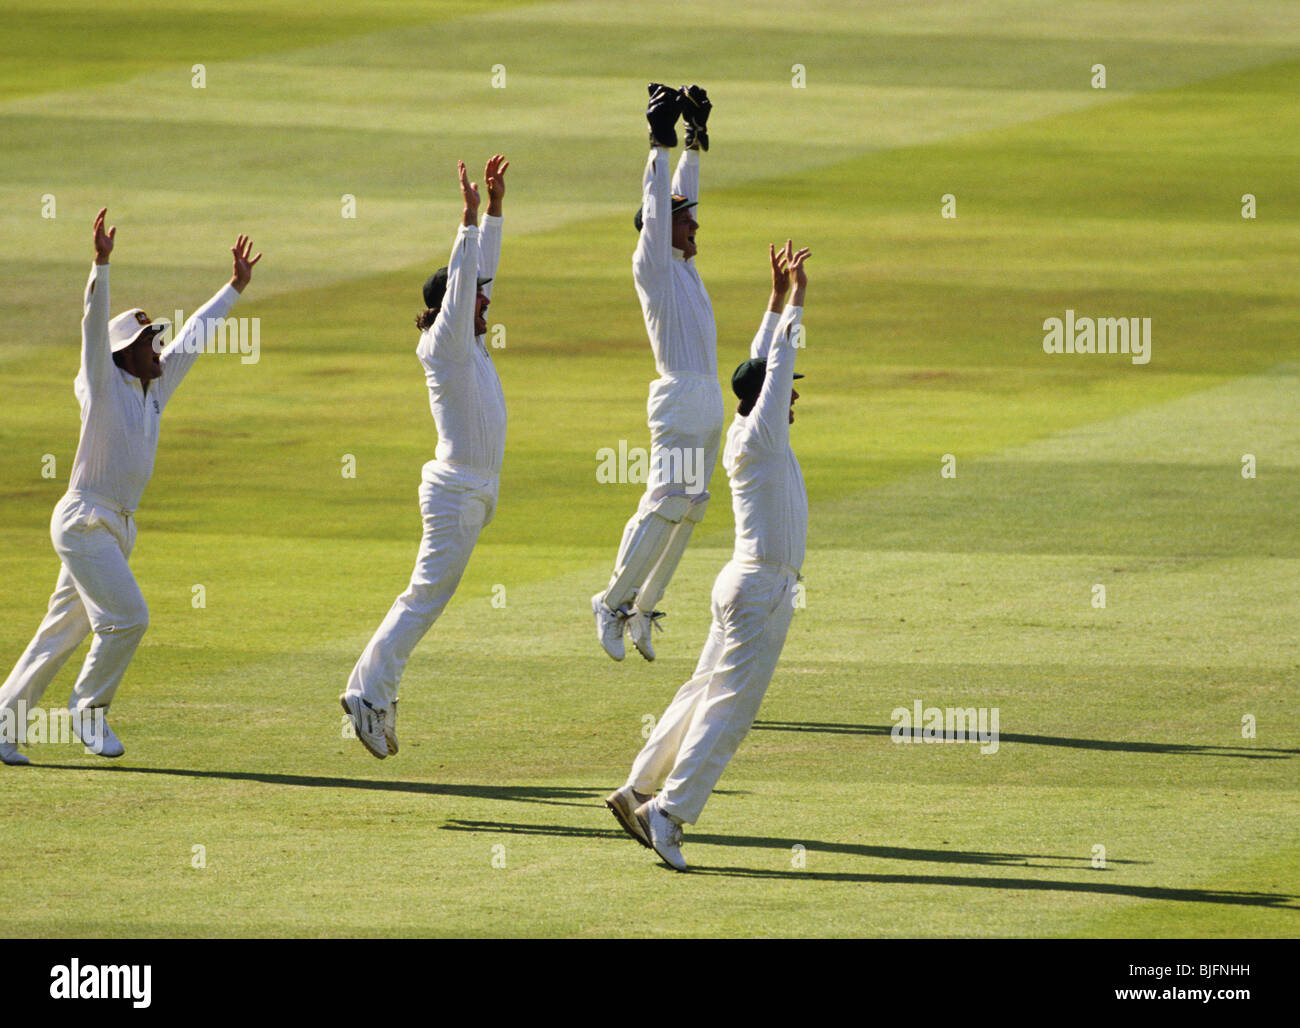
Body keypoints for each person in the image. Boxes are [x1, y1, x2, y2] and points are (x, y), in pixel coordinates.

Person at [0, 208, 261, 766]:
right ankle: (88, 710)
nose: (158, 348)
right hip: (84, 520)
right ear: (123, 355)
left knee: (60, 632)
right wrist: (100, 264)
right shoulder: (102, 383)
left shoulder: (154, 389)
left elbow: (194, 336)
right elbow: (94, 325)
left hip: (116, 527)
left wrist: (234, 287)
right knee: (129, 619)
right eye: (147, 343)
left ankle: (3, 721)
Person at [606, 240, 810, 870]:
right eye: (788, 390)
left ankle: (638, 787)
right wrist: (798, 300)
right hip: (761, 589)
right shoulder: (765, 430)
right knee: (728, 712)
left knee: (702, 693)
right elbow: (772, 367)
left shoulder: (748, 430)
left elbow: (759, 364)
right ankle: (667, 813)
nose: (794, 395)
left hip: (738, 584)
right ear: (770, 399)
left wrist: (773, 301)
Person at [341, 155, 509, 759]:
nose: (487, 305)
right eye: (475, 302)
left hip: (472, 492)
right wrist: (466, 220)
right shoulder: (445, 344)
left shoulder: (469, 339)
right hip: (457, 491)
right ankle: (369, 695)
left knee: (425, 597)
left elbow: (476, 278)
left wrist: (493, 211)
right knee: (423, 597)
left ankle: (372, 691)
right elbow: (467, 281)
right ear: (452, 309)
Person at [591, 83, 720, 662]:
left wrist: (694, 141)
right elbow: (659, 202)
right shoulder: (654, 267)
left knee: (691, 507)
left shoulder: (683, 263)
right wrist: (658, 141)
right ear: (655, 228)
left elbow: (678, 201)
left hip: (708, 396)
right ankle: (611, 601)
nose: (694, 228)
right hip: (677, 395)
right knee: (664, 501)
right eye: (682, 222)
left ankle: (643, 609)